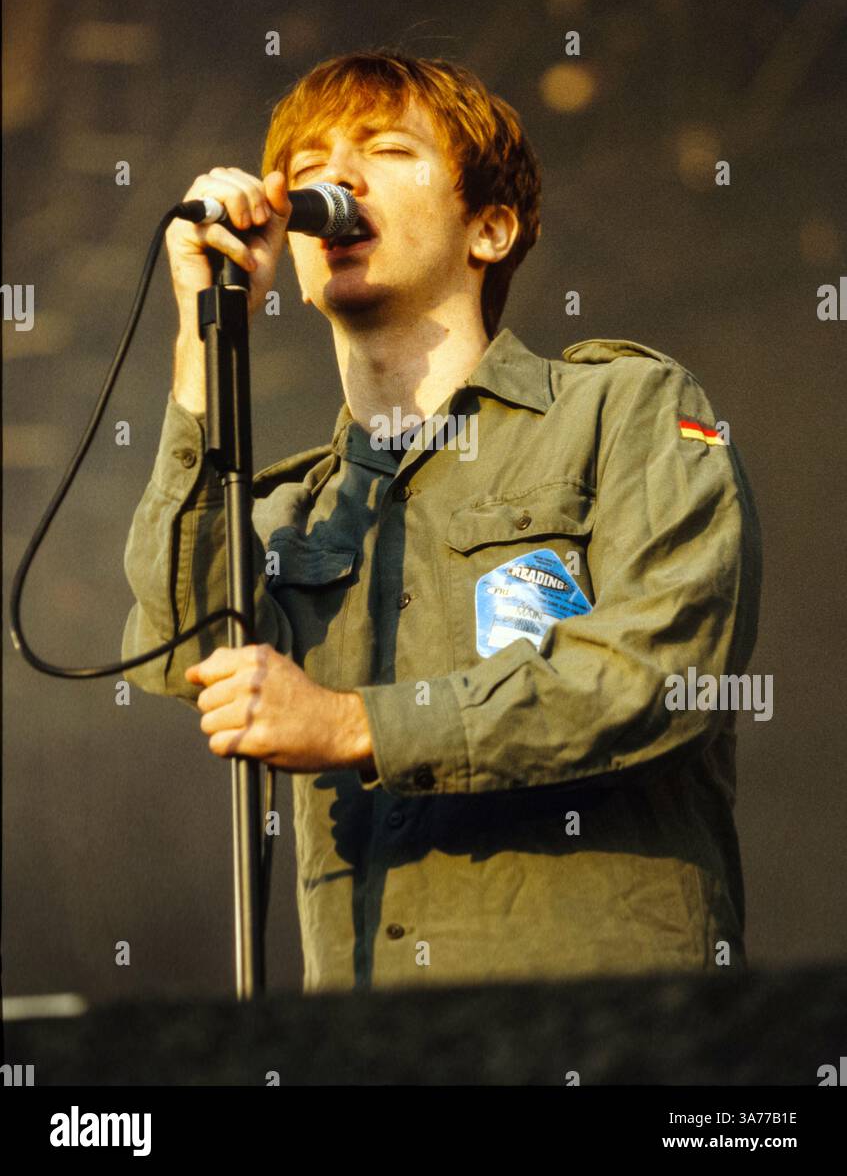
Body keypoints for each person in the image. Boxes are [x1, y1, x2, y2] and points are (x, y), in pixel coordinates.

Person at [122, 49, 762, 992]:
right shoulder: (285, 509)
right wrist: (203, 329)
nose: (332, 179)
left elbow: (660, 671)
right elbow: (177, 651)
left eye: (382, 149)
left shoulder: (624, 409)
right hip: (369, 1043)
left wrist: (355, 725)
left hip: (613, 1032)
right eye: (304, 168)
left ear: (490, 228)